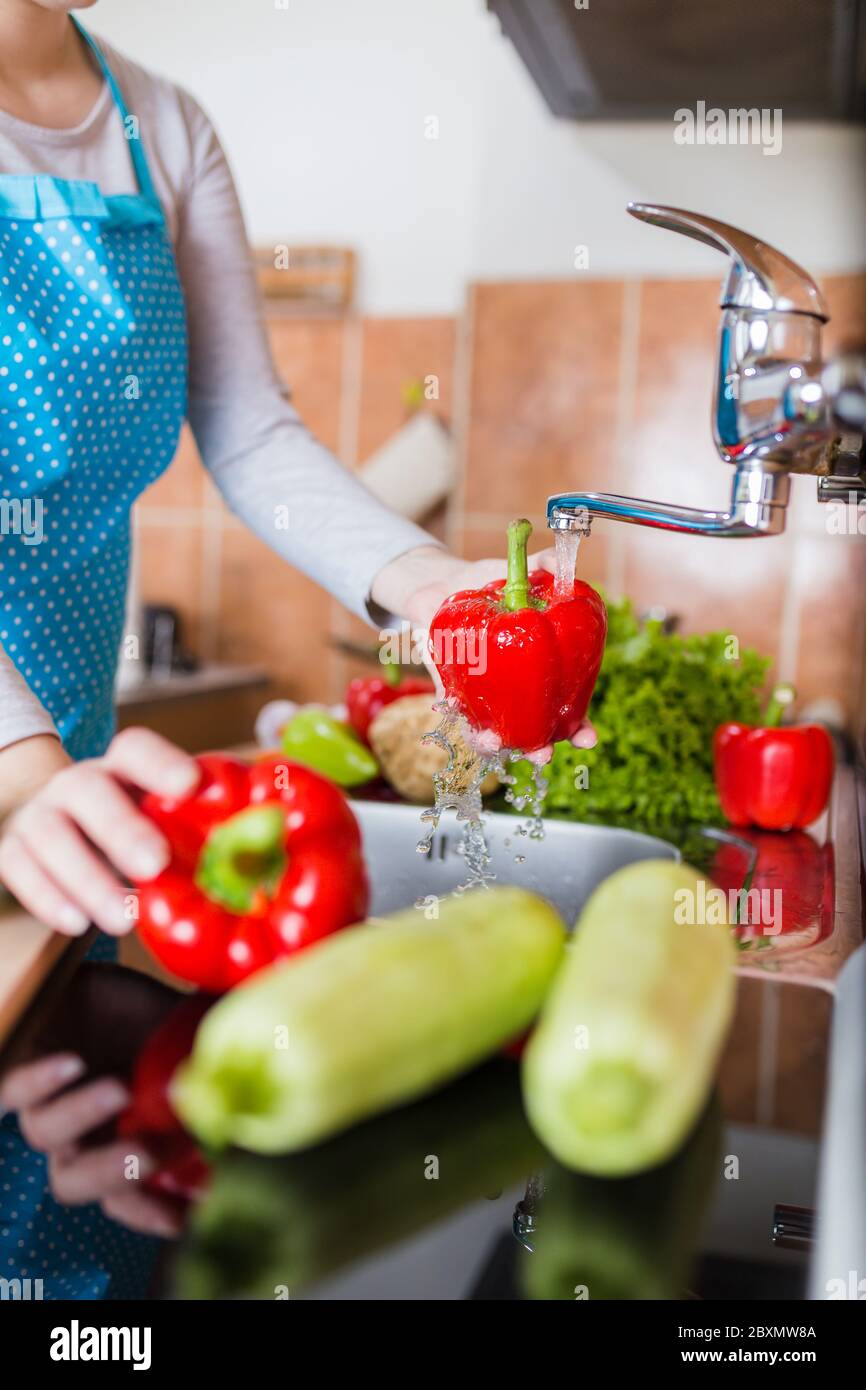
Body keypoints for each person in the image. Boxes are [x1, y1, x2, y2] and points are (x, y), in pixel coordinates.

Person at [0, 1, 594, 1297]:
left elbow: (247, 426)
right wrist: (19, 758)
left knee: (67, 1201)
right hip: (27, 766)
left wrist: (430, 586)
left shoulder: (163, 124)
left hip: (65, 787)